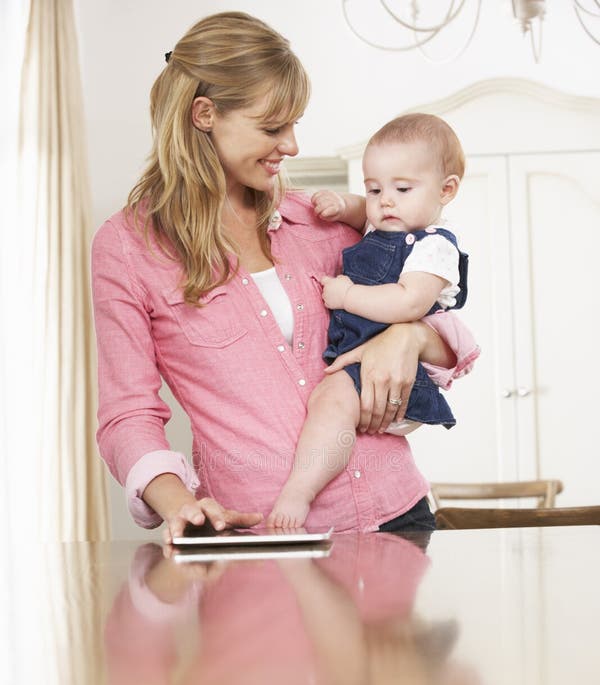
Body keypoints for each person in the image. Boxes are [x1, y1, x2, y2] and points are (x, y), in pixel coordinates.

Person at [91, 11, 479, 542]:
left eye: (295, 124)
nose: (292, 145)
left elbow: (444, 338)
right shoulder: (128, 248)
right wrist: (181, 504)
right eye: (273, 127)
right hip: (262, 533)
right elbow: (126, 414)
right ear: (204, 115)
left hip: (398, 514)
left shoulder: (325, 223)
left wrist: (409, 336)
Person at [268, 114, 470, 527]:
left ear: (446, 190)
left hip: (395, 377)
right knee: (328, 403)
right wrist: (345, 205)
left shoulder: (434, 246)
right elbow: (366, 214)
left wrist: (346, 295)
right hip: (367, 360)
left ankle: (298, 493)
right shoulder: (383, 222)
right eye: (374, 188)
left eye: (402, 188)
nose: (385, 201)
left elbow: (408, 302)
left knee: (330, 403)